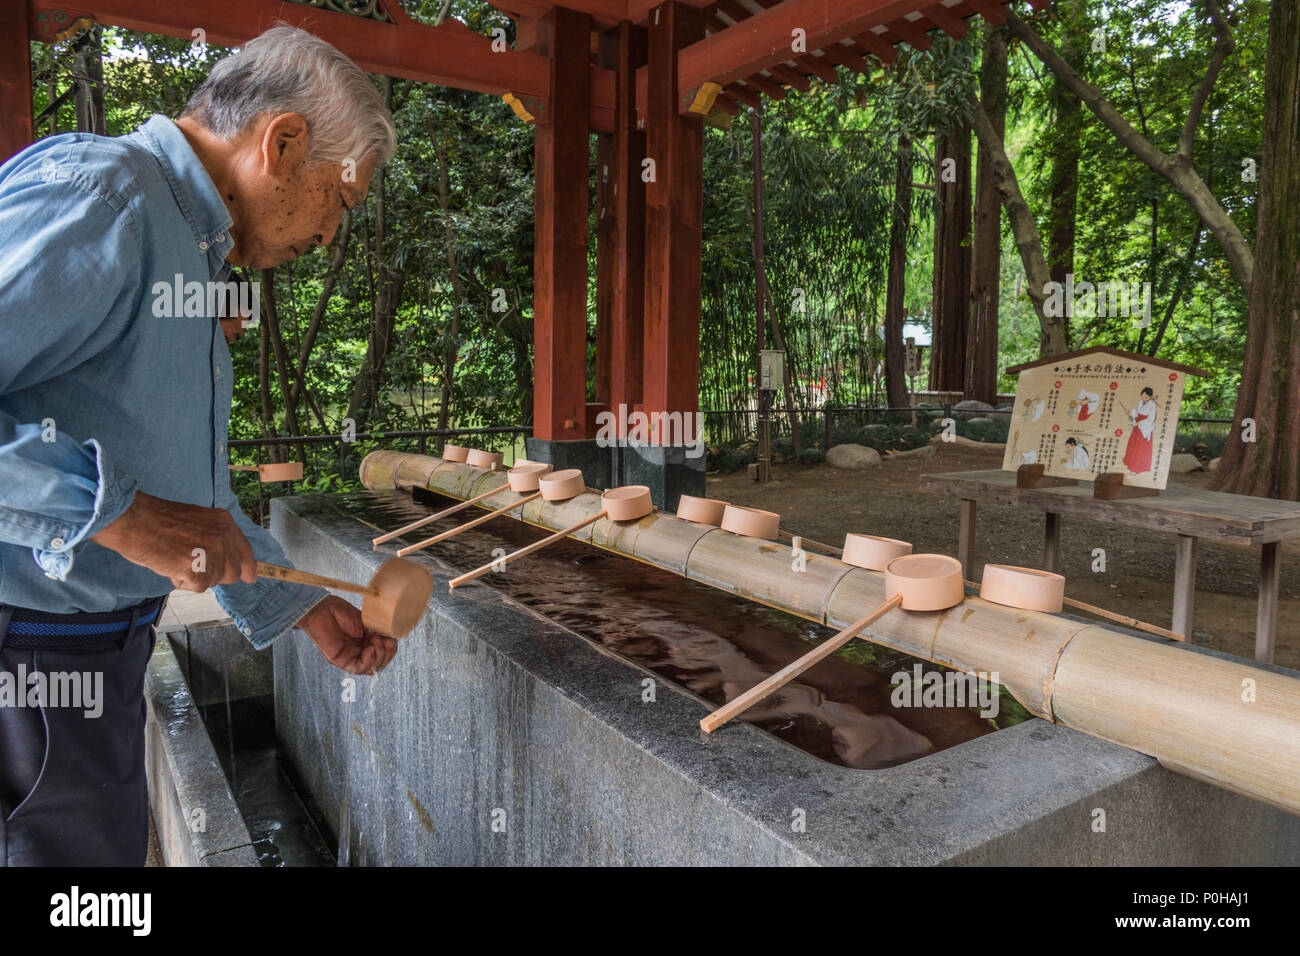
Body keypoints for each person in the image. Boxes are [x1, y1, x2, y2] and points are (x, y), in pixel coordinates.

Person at [0, 26, 399, 866]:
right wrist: (119, 516)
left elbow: (180, 485)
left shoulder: (189, 250)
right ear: (283, 142)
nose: (329, 236)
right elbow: (142, 510)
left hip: (87, 650)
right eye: (342, 200)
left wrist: (289, 600)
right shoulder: (104, 199)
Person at [1123, 387, 1158, 475]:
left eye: (1146, 397)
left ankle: (1136, 468)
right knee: (1133, 445)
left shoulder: (1152, 405)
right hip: (1137, 426)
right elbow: (1137, 412)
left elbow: (1151, 419)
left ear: (1150, 397)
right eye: (1143, 396)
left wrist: (1139, 423)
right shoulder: (1140, 402)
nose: (1144, 398)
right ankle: (1131, 464)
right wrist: (1132, 414)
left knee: (1140, 448)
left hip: (1145, 427)